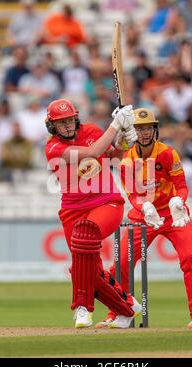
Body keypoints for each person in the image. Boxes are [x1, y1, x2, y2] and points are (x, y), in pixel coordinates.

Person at [96, 107, 192, 329]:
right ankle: (117, 313)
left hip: (172, 215)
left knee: (191, 260)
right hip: (143, 215)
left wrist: (179, 202)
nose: (145, 133)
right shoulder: (127, 159)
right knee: (120, 264)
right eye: (140, 129)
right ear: (133, 131)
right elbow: (131, 193)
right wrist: (144, 206)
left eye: (148, 128)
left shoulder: (167, 153)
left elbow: (181, 186)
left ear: (154, 130)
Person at [44, 99, 141, 328]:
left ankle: (82, 308)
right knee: (87, 267)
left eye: (70, 120)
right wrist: (116, 124)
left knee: (84, 239)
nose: (67, 126)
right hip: (72, 210)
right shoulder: (52, 148)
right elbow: (92, 152)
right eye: (61, 123)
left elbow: (111, 156)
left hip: (107, 202)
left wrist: (123, 140)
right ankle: (126, 307)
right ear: (52, 126)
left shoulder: (92, 131)